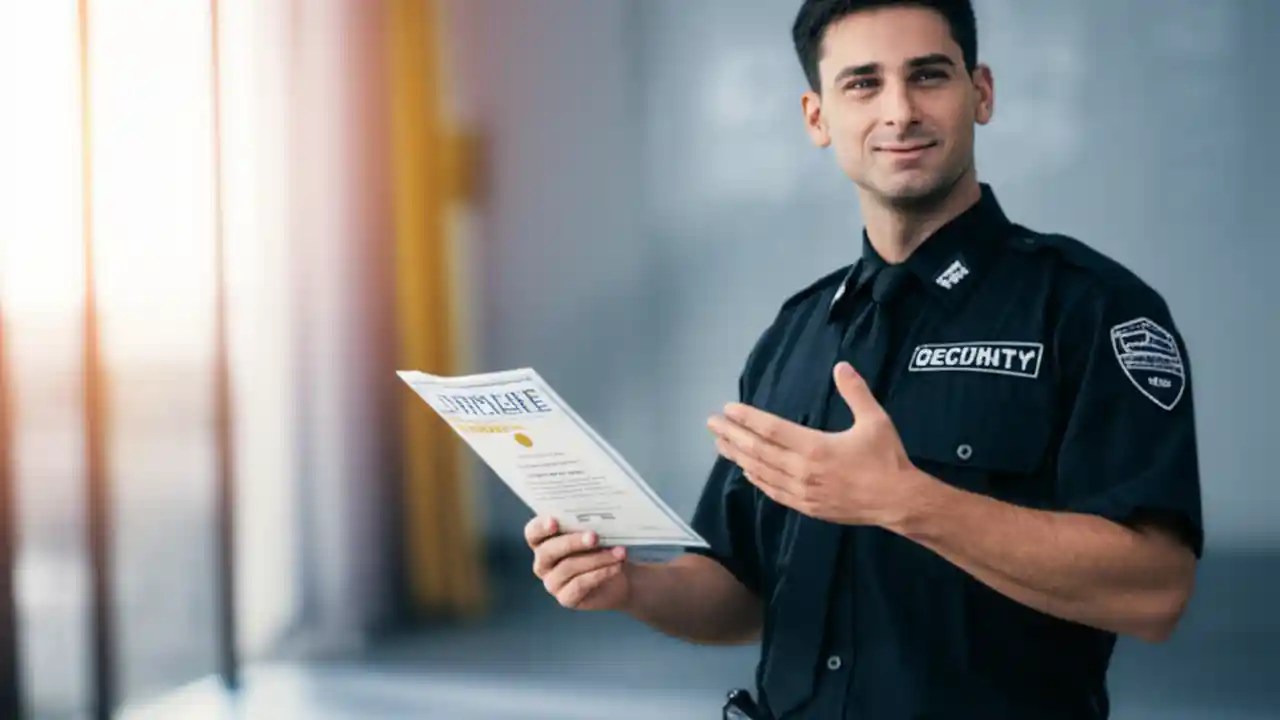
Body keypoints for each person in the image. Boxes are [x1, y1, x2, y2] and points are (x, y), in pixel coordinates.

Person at [525, 0, 1203, 717]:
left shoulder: (1089, 311)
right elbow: (742, 591)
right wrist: (630, 587)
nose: (900, 110)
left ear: (982, 93)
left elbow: (1155, 590)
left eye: (929, 76)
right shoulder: (796, 334)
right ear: (817, 118)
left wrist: (906, 501)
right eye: (863, 83)